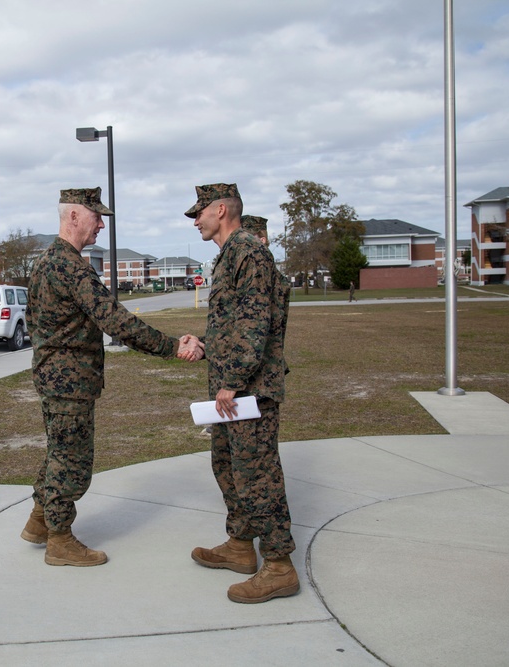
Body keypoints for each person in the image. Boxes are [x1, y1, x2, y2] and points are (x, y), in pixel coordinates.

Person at [21, 187, 203, 567]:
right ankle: (60, 540)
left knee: (60, 450)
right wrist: (172, 346)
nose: (101, 224)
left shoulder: (46, 261)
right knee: (72, 461)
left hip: (55, 377)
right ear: (73, 216)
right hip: (68, 381)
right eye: (95, 216)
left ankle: (40, 522)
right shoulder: (69, 265)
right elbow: (116, 321)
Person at [185, 183, 298, 604]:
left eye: (199, 212)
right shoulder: (229, 255)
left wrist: (232, 378)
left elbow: (255, 324)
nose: (196, 220)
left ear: (220, 209)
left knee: (257, 477)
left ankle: (279, 567)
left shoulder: (248, 251)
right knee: (227, 466)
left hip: (246, 390)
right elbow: (232, 326)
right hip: (227, 388)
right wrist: (205, 344)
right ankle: (239, 547)